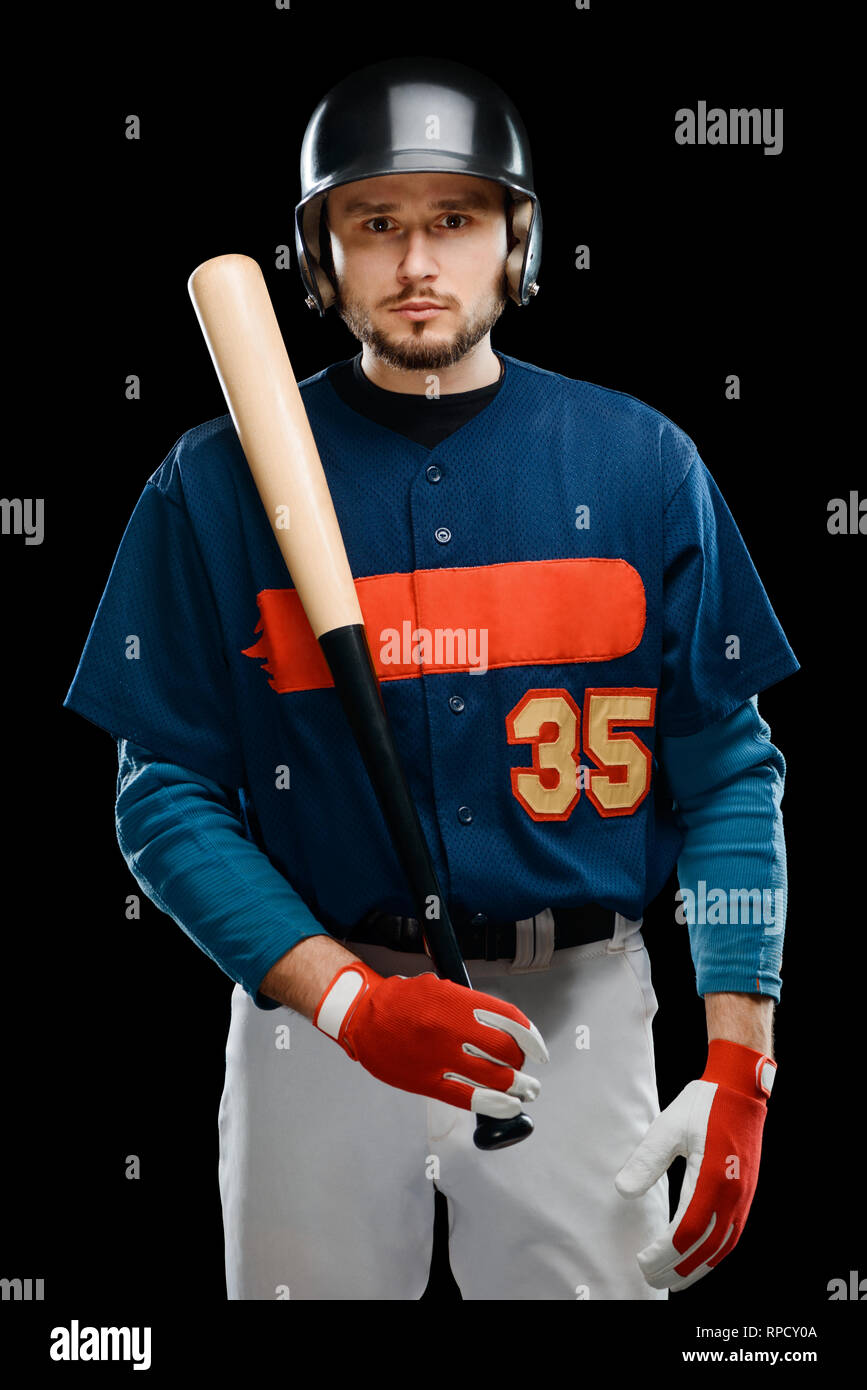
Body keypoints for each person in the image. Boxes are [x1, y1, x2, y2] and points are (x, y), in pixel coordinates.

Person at [64, 57, 798, 1301]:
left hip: (576, 1013)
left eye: (454, 220)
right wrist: (347, 999)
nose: (417, 263)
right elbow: (163, 796)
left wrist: (742, 1061)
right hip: (318, 1022)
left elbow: (728, 774)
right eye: (377, 222)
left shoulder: (644, 466)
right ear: (320, 256)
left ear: (517, 240)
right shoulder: (211, 484)